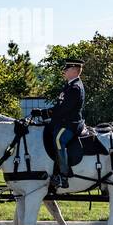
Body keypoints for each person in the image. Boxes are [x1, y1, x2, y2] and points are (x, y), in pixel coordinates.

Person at [37, 59, 85, 188]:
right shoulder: (69, 86)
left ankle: (63, 176)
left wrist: (45, 113)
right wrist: (45, 114)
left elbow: (64, 109)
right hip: (63, 122)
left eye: (66, 69)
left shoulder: (75, 88)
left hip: (71, 124)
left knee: (59, 140)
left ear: (75, 71)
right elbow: (60, 106)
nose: (64, 72)